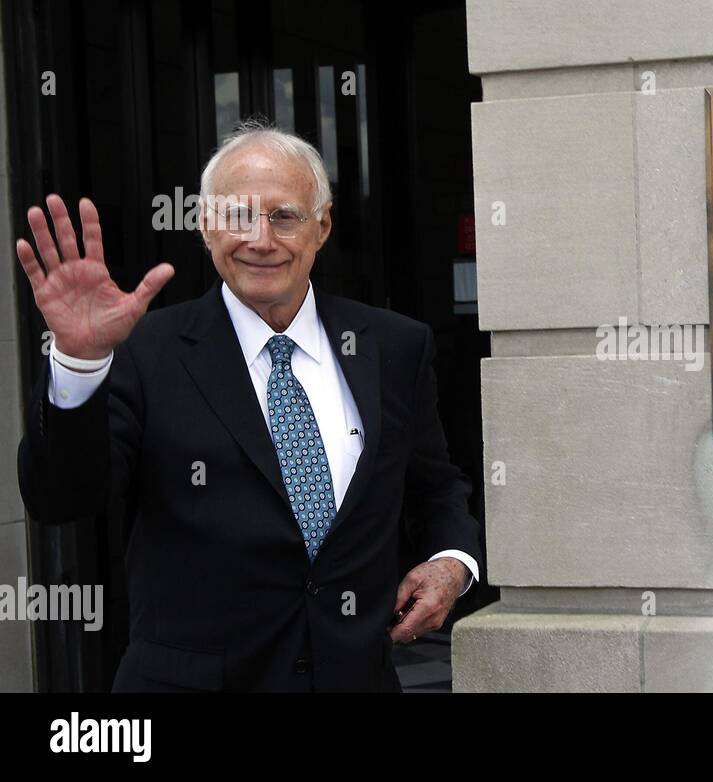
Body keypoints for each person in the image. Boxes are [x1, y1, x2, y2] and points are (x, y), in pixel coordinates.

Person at [15, 121, 482, 692]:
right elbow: (63, 497)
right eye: (238, 216)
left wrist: (452, 563)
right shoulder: (144, 352)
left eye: (285, 216)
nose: (261, 239)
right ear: (207, 226)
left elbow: (436, 486)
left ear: (322, 226)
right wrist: (79, 363)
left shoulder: (393, 347)